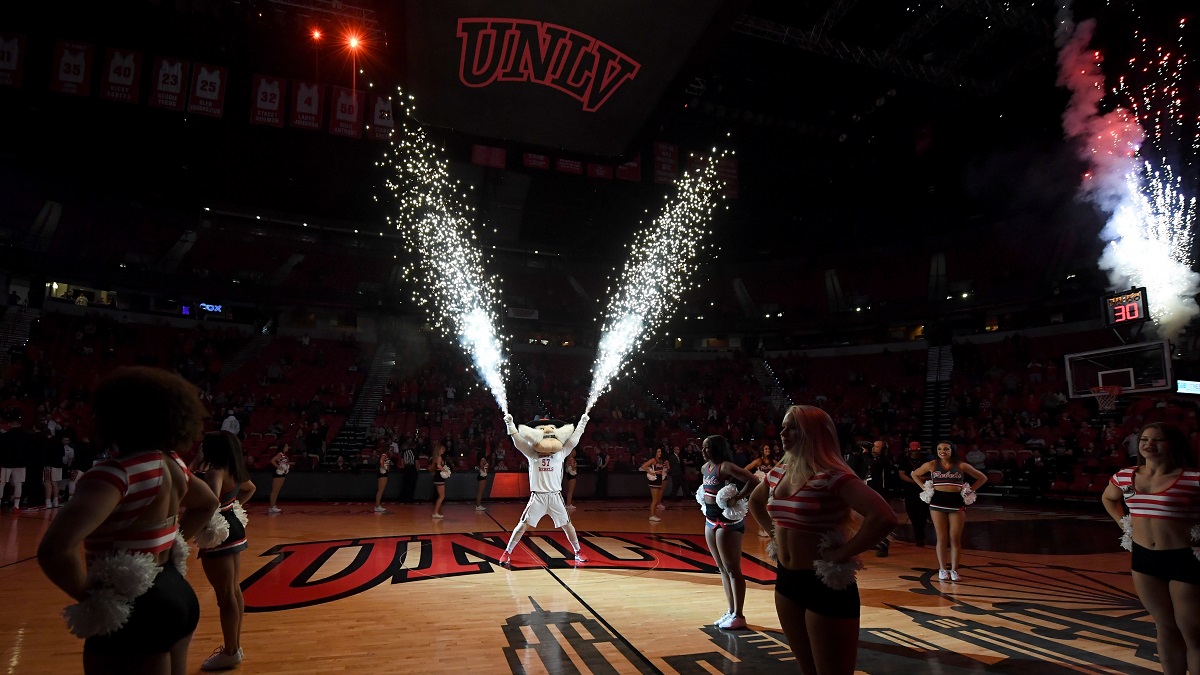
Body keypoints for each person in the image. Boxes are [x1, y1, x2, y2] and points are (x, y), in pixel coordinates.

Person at [36, 366, 220, 675]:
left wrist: (90, 596)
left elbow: (56, 549)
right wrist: (173, 543)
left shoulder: (116, 473)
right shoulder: (173, 463)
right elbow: (208, 503)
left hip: (133, 607)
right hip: (175, 590)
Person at [748, 405, 897, 675]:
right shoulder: (779, 472)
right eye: (783, 426)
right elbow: (756, 501)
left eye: (792, 427)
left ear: (813, 433)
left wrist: (842, 554)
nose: (782, 432)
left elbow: (884, 517)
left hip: (825, 584)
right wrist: (774, 535)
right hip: (786, 581)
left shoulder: (833, 475)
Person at [1102, 422, 1200, 674]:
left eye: (1158, 440)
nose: (1148, 444)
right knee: (1165, 626)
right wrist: (1124, 524)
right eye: (1144, 439)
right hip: (1144, 559)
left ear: (1173, 444)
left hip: (1184, 559)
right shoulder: (1124, 475)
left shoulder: (1192, 478)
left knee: (1192, 632)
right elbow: (1108, 498)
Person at [192, 431, 255, 671]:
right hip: (233, 527)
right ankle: (234, 647)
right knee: (233, 589)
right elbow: (250, 488)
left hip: (218, 534)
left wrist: (197, 464)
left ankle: (230, 651)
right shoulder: (233, 469)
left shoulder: (215, 472)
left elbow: (209, 500)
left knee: (225, 594)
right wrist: (232, 506)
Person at [498, 414, 590, 566]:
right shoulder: (532, 454)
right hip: (538, 497)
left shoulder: (560, 453)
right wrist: (510, 425)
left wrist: (582, 423)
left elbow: (574, 440)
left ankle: (578, 551)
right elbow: (518, 442)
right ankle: (507, 552)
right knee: (522, 525)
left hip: (555, 496)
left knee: (567, 525)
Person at [700, 435, 761, 630]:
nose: (704, 451)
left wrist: (738, 498)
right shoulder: (705, 468)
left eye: (708, 447)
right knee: (722, 569)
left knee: (733, 569)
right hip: (710, 520)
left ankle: (739, 614)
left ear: (717, 448)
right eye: (703, 447)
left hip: (727, 522)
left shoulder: (725, 467)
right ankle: (730, 610)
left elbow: (753, 481)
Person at [911, 441, 987, 581]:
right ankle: (942, 569)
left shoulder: (961, 465)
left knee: (955, 539)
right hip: (937, 503)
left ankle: (954, 570)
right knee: (941, 537)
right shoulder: (932, 464)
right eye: (939, 449)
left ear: (952, 450)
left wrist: (970, 490)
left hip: (956, 503)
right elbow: (915, 474)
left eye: (946, 449)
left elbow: (983, 478)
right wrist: (924, 487)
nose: (942, 451)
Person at [895, 442, 931, 546]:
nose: (914, 453)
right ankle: (918, 534)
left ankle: (921, 535)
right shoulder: (904, 461)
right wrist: (915, 481)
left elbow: (933, 474)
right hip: (909, 491)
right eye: (913, 451)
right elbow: (901, 475)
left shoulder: (926, 461)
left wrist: (924, 479)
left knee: (923, 513)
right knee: (912, 513)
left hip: (924, 490)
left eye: (916, 451)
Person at [745, 444, 779, 537]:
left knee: (769, 507)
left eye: (769, 449)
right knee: (761, 506)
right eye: (766, 449)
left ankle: (769, 529)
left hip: (771, 486)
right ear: (762, 451)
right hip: (761, 485)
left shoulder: (773, 461)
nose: (768, 450)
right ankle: (761, 530)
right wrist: (754, 477)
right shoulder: (759, 461)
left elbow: (782, 469)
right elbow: (746, 469)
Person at [641, 448, 670, 522]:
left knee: (657, 499)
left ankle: (654, 515)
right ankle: (652, 515)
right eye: (658, 451)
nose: (660, 453)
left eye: (660, 451)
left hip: (660, 479)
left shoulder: (660, 460)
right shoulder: (653, 460)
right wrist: (650, 472)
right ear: (655, 452)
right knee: (655, 499)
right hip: (654, 479)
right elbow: (644, 466)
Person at [267, 445, 290, 515]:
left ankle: (273, 505)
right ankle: (271, 507)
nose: (288, 447)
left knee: (277, 490)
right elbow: (272, 461)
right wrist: (279, 467)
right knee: (275, 490)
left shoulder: (283, 455)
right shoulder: (280, 454)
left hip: (282, 473)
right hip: (278, 474)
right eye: (286, 446)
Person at [430, 444, 448, 519]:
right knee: (442, 496)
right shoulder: (439, 457)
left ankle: (435, 512)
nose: (443, 451)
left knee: (440, 496)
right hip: (439, 478)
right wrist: (445, 471)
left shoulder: (435, 457)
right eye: (442, 449)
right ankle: (435, 513)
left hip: (437, 477)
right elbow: (439, 466)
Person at [374, 449, 391, 513]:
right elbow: (381, 462)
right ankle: (377, 506)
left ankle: (378, 505)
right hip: (382, 474)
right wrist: (383, 469)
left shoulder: (385, 455)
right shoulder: (384, 455)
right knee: (380, 491)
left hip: (383, 474)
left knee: (380, 491)